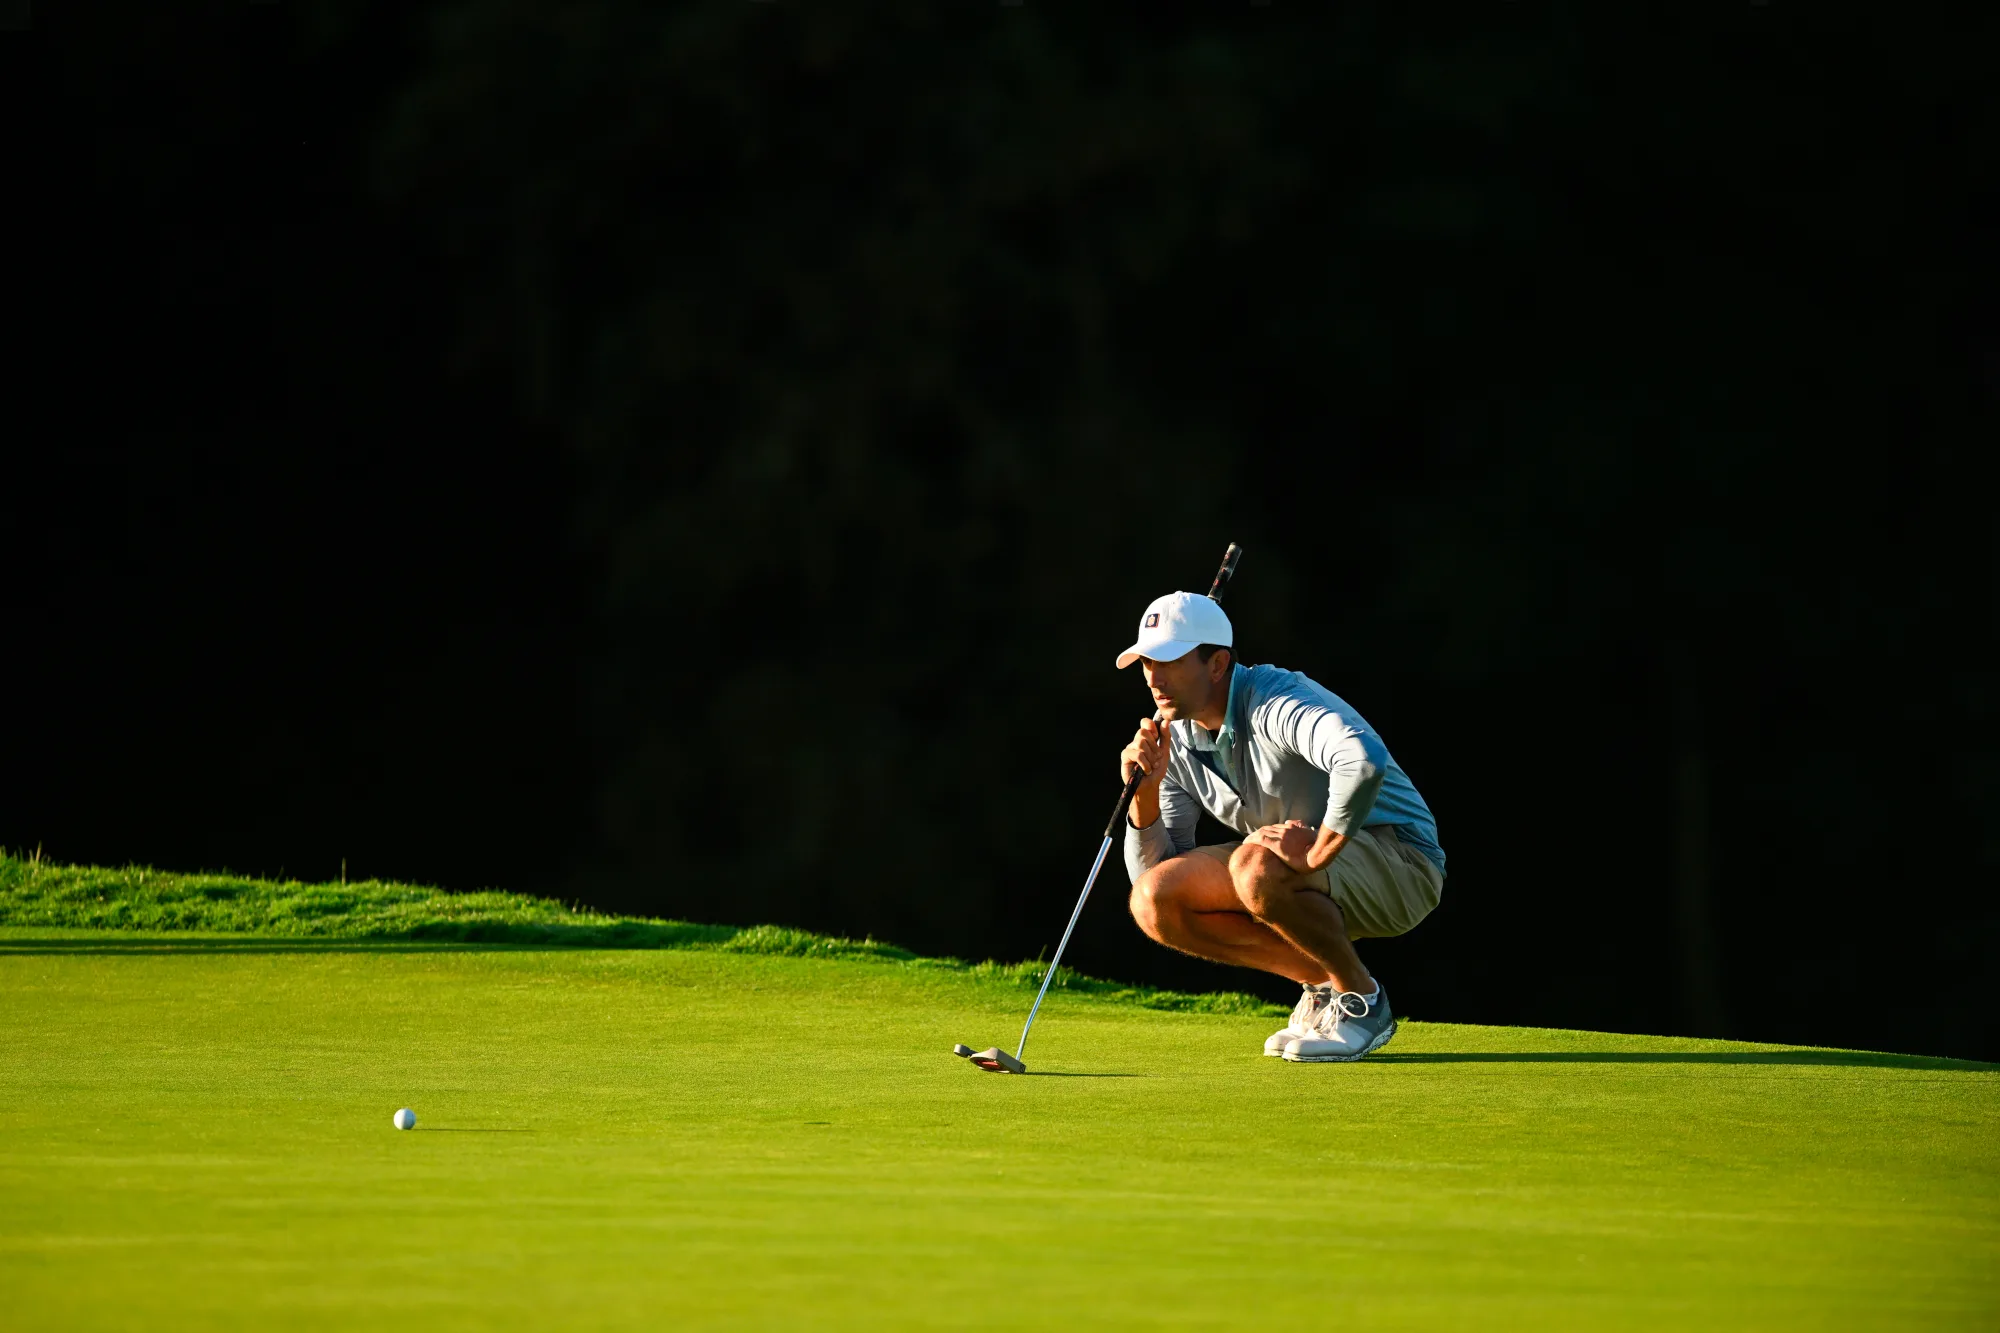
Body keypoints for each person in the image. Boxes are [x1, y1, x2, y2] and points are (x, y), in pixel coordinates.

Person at [1117, 591, 1445, 1061]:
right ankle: (1323, 987)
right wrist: (1145, 793)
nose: (1154, 677)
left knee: (1255, 865)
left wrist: (1318, 850)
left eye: (1170, 661)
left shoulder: (1275, 700)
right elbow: (1155, 878)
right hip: (1291, 871)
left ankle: (1362, 1001)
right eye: (1148, 662)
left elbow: (1363, 760)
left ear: (1217, 664)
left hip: (1403, 861)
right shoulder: (1176, 737)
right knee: (1153, 901)